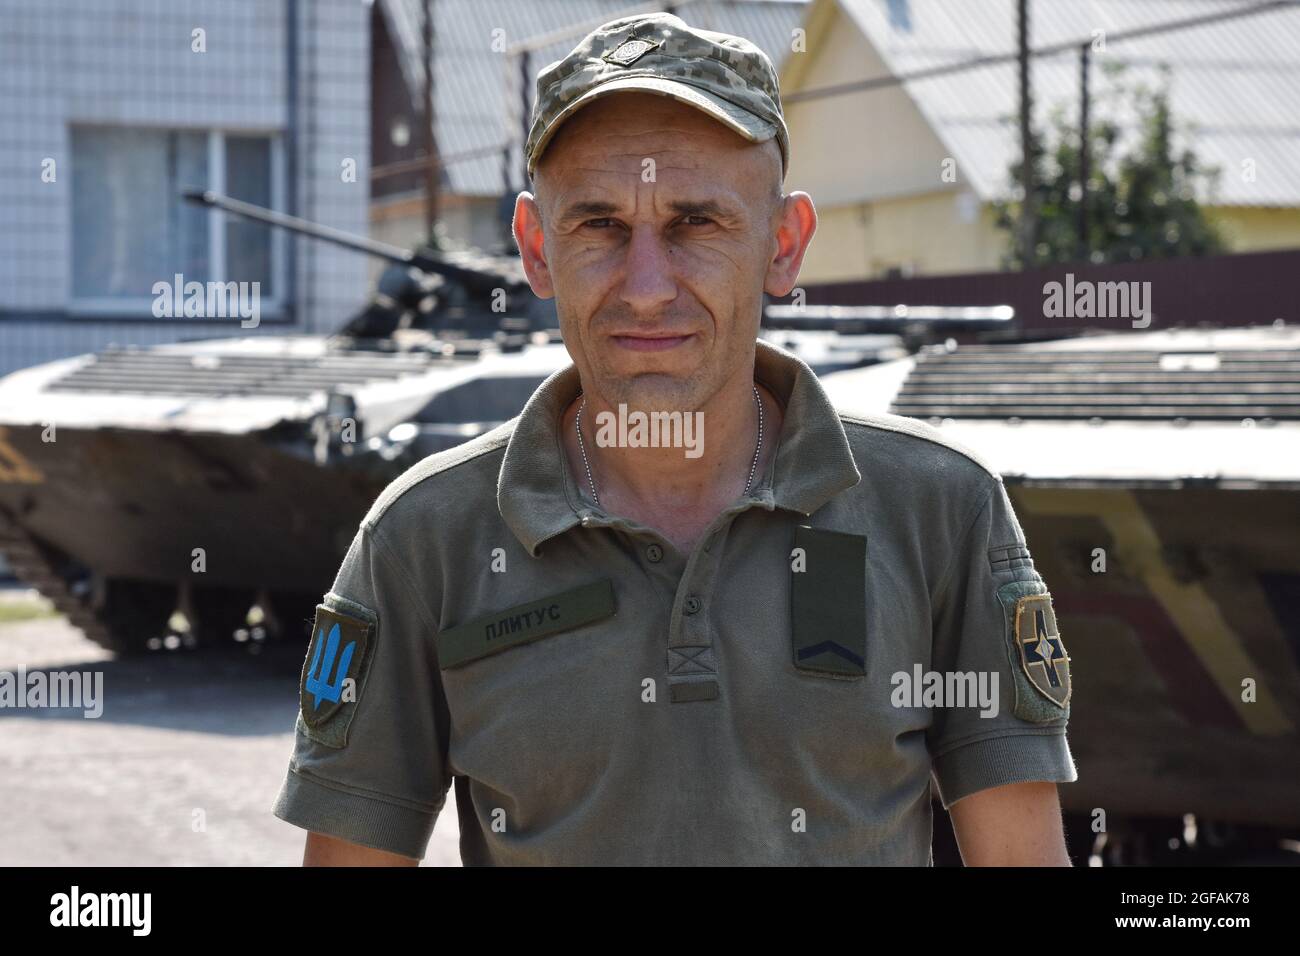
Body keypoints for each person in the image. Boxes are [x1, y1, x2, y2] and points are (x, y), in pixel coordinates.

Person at [272, 11, 1076, 866]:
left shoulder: (937, 508)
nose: (647, 287)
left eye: (697, 223)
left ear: (784, 244)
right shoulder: (425, 539)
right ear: (537, 250)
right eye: (600, 226)